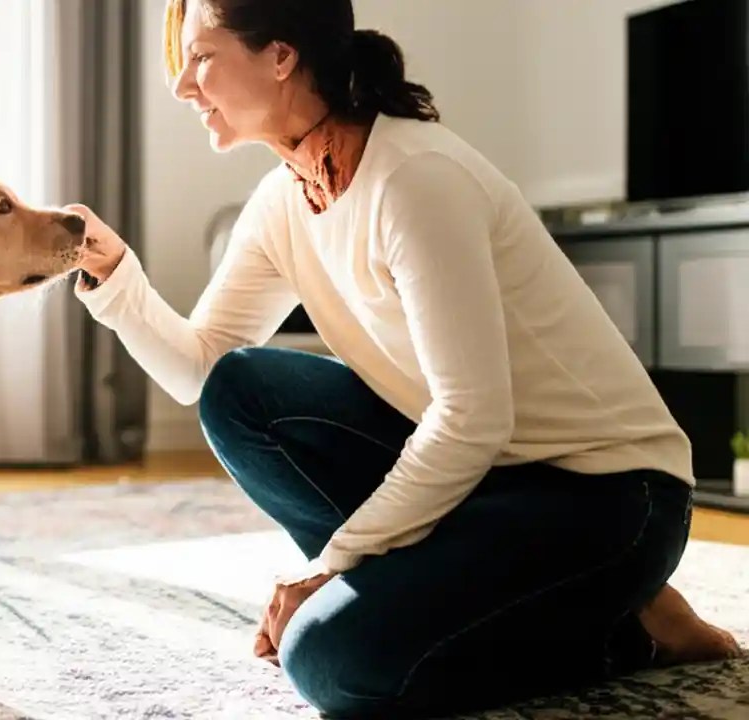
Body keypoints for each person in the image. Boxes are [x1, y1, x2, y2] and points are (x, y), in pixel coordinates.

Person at [67, 0, 743, 717]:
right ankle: (582, 608)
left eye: (202, 57)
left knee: (329, 661)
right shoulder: (281, 202)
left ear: (280, 55)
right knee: (241, 391)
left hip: (610, 496)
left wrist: (334, 564)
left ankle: (622, 630)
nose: (182, 84)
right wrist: (117, 280)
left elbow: (473, 419)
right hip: (491, 479)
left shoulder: (415, 178)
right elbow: (199, 372)